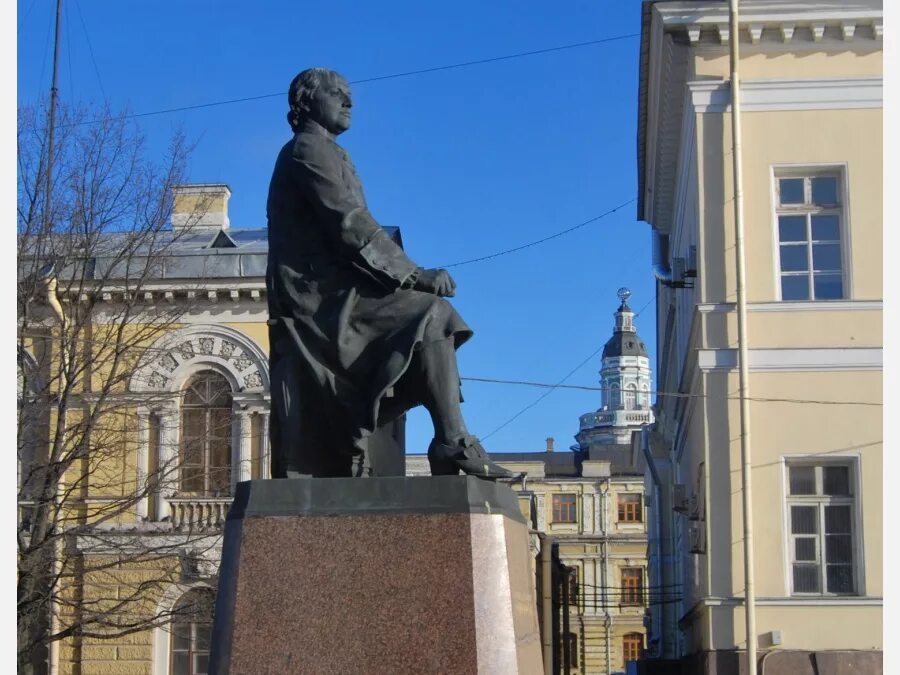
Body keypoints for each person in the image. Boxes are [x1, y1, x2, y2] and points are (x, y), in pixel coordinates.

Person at [266, 67, 512, 480]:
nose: (349, 101)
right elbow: (349, 224)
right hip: (317, 302)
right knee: (432, 312)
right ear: (307, 101)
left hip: (338, 291)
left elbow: (354, 230)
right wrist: (414, 275)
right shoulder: (307, 149)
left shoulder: (328, 151)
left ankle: (451, 442)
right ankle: (451, 443)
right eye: (337, 93)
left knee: (432, 317)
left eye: (349, 94)